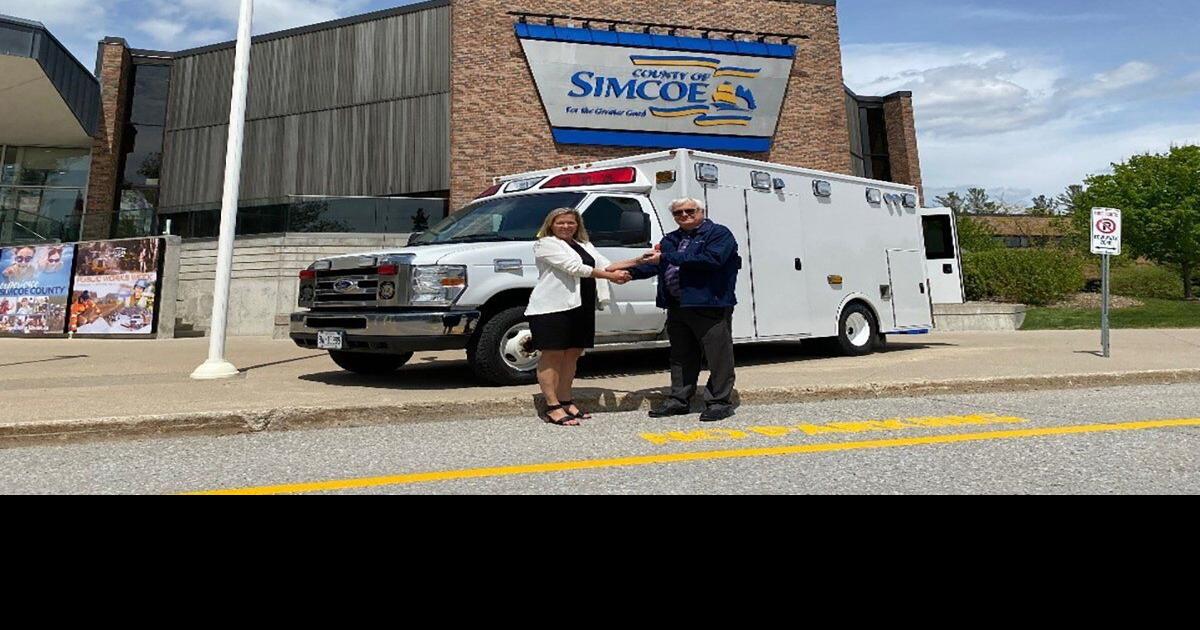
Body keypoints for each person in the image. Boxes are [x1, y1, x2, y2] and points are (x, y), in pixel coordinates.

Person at [609, 198, 742, 422]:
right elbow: (658, 265)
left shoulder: (718, 234)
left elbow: (711, 259)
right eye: (678, 213)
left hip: (709, 304)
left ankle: (719, 402)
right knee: (681, 356)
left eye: (690, 211)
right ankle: (679, 400)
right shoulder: (671, 239)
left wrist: (666, 256)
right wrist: (629, 275)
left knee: (718, 356)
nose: (684, 215)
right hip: (677, 305)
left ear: (701, 211)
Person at [526, 208, 631, 426]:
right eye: (561, 223)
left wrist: (640, 261)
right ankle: (552, 406)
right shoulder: (545, 244)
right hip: (552, 308)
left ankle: (566, 400)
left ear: (578, 225)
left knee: (572, 354)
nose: (566, 227)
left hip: (580, 306)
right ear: (551, 225)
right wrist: (610, 277)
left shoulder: (584, 245)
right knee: (552, 356)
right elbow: (573, 267)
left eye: (571, 223)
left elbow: (604, 264)